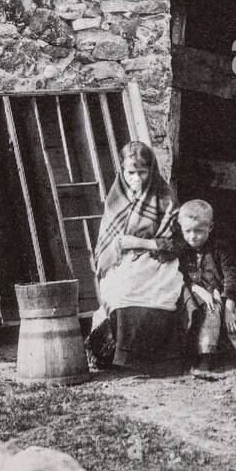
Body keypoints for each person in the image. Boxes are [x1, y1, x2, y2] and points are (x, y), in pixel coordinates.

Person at [88, 141, 186, 374]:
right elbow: (107, 242)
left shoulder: (164, 196)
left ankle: (154, 360)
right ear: (122, 171)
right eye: (131, 172)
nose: (137, 178)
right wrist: (117, 251)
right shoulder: (116, 198)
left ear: (151, 171)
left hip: (158, 257)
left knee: (156, 291)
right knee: (121, 290)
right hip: (122, 259)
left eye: (143, 172)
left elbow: (177, 243)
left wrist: (140, 243)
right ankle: (125, 357)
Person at [175, 199, 236, 376]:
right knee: (201, 310)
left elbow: (231, 279)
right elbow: (183, 275)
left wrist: (229, 310)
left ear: (210, 228)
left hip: (230, 292)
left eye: (199, 231)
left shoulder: (220, 248)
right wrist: (198, 289)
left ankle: (208, 356)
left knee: (226, 318)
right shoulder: (183, 250)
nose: (193, 236)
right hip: (202, 290)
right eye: (187, 231)